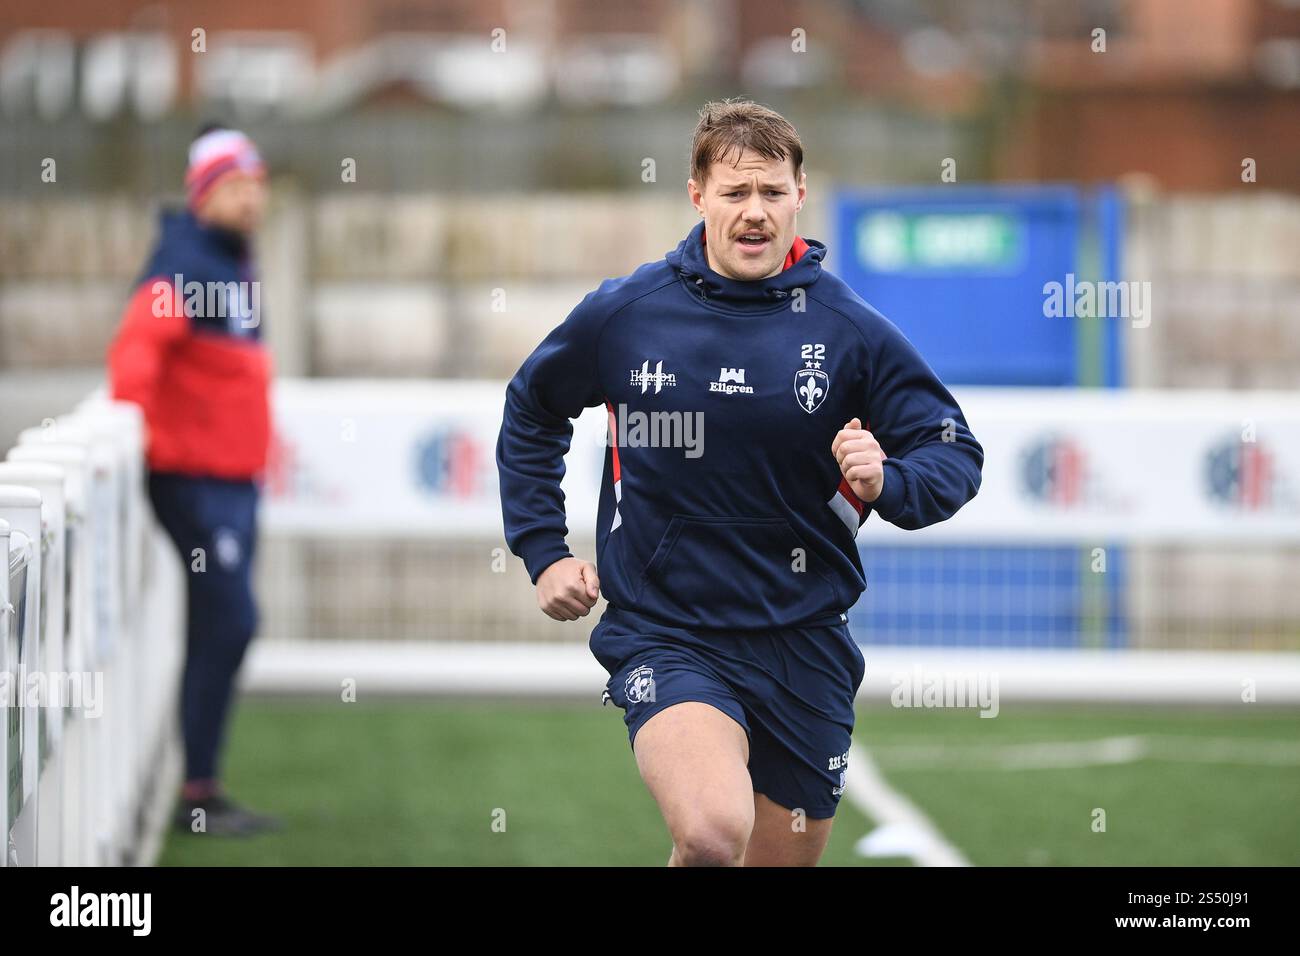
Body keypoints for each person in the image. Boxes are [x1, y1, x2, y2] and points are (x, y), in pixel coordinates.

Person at [496, 99, 983, 866]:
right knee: (712, 834)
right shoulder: (625, 316)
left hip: (805, 641)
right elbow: (532, 409)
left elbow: (954, 451)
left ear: (799, 196)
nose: (754, 213)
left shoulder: (849, 330)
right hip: (668, 631)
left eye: (771, 192)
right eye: (734, 193)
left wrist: (891, 479)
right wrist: (543, 550)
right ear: (697, 196)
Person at [107, 125, 279, 836]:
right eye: (233, 187)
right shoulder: (185, 264)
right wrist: (133, 432)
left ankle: (201, 787)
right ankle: (197, 795)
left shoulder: (232, 262)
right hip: (193, 479)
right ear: (204, 192)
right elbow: (136, 354)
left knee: (224, 623)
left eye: (256, 186)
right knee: (231, 620)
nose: (249, 200)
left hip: (231, 480)